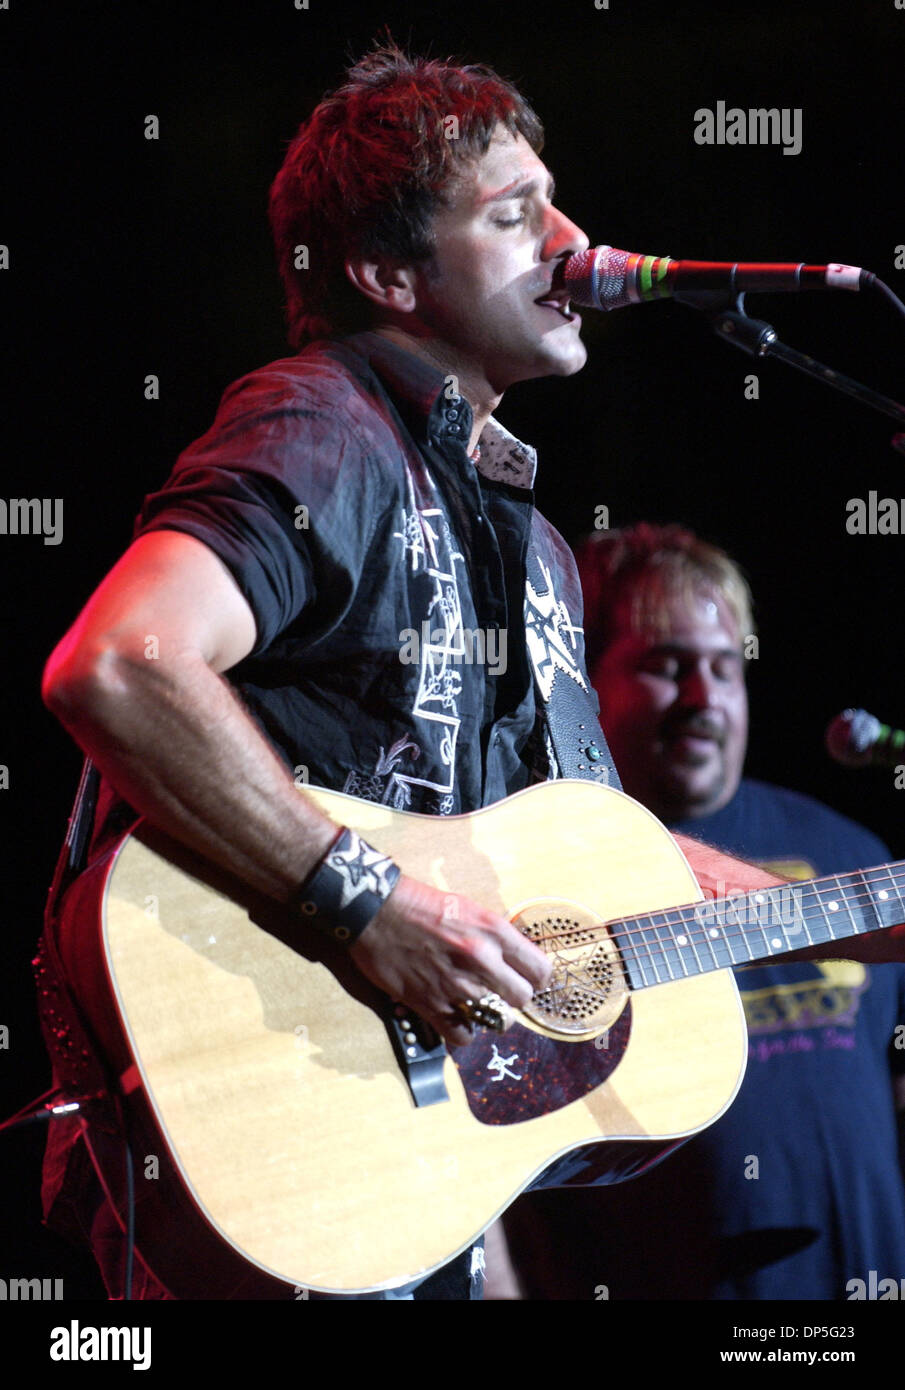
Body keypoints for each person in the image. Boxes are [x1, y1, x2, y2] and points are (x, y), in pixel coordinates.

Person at [37, 45, 904, 1302]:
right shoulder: (326, 423)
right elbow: (119, 666)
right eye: (512, 215)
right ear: (389, 274)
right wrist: (368, 905)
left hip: (410, 1181)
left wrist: (862, 911)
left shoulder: (532, 545)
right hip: (277, 1127)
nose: (570, 240)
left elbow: (615, 874)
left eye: (555, 201)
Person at [499, 523, 905, 1299]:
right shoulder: (546, 861)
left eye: (724, 669)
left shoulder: (847, 846)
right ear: (585, 682)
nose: (702, 698)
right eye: (666, 666)